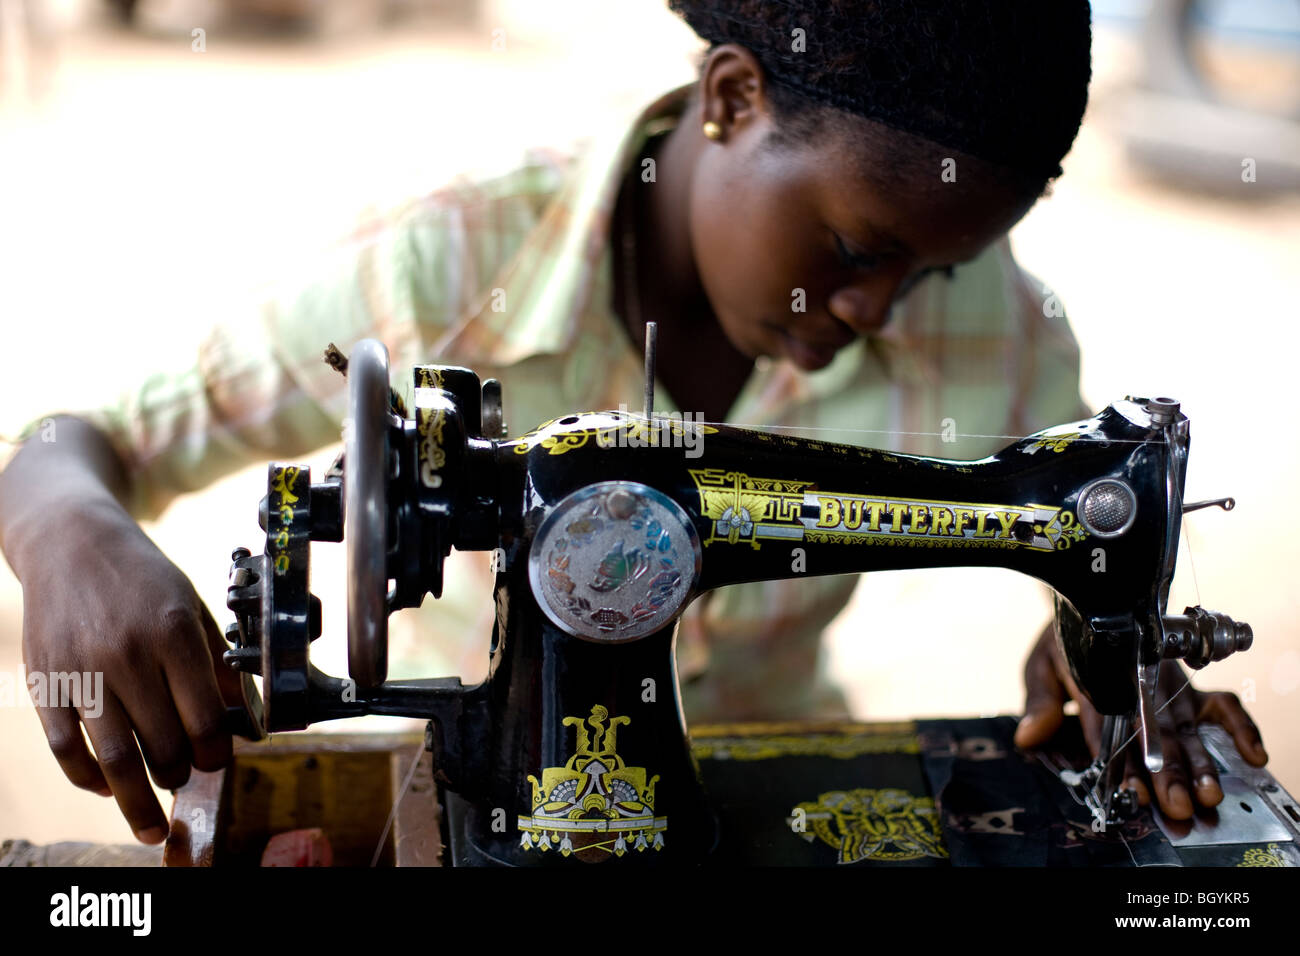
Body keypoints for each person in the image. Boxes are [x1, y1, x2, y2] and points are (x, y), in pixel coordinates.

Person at [0, 1, 1266, 847]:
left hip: (766, 760)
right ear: (731, 96)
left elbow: (1098, 517)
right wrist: (67, 530)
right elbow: (81, 442)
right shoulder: (453, 265)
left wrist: (1100, 646)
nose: (879, 312)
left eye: (932, 272)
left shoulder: (1000, 326)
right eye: (852, 251)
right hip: (463, 793)